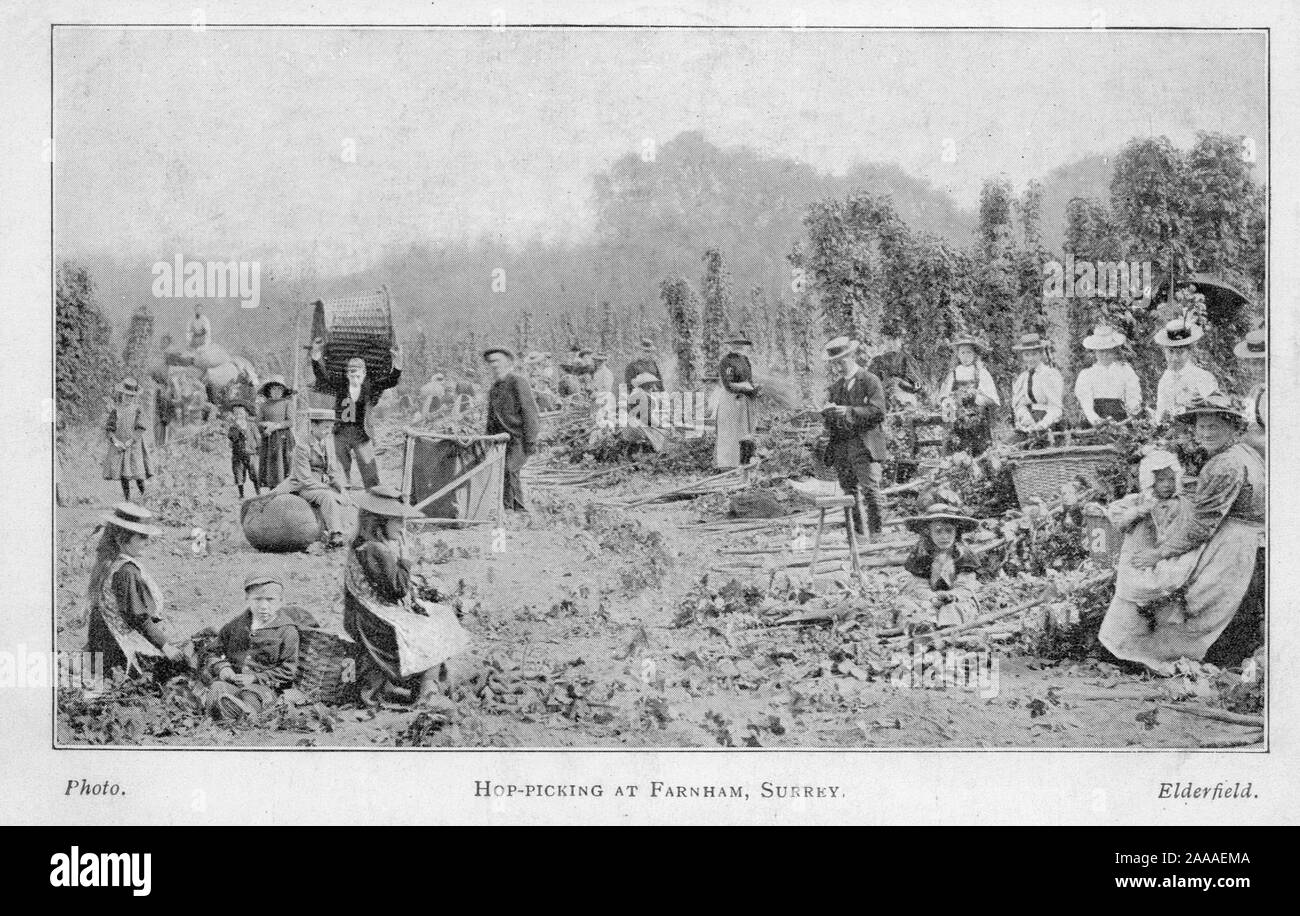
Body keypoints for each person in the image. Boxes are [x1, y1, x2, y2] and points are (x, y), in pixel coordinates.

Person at [1101, 394, 1264, 674]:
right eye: (1201, 427)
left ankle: (1148, 650)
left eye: (1215, 426)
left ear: (1233, 428)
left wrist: (1158, 553)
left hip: (1233, 543)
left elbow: (1202, 525)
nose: (1206, 433)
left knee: (1177, 587)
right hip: (1248, 535)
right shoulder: (1245, 453)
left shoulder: (1225, 464)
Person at [343, 486, 472, 707]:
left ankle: (427, 680)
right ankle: (427, 688)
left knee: (436, 613)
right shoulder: (377, 551)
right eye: (398, 522)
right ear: (380, 522)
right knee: (433, 623)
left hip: (361, 614)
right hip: (372, 621)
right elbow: (398, 590)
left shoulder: (362, 545)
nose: (403, 528)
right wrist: (404, 559)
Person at [86, 504, 192, 677]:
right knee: (178, 664)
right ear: (122, 538)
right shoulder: (126, 571)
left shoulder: (110, 562)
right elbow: (137, 617)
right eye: (142, 536)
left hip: (102, 637)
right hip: (115, 645)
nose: (146, 541)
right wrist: (165, 646)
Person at [198, 572, 301, 720]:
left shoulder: (286, 631)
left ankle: (241, 714)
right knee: (217, 688)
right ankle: (224, 712)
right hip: (234, 684)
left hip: (265, 688)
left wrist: (254, 678)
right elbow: (212, 652)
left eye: (270, 600)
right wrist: (223, 668)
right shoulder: (236, 625)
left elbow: (288, 670)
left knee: (250, 696)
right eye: (257, 600)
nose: (264, 606)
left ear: (280, 601)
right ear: (247, 599)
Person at [310, 338, 403, 488]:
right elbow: (322, 376)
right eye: (351, 374)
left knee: (370, 470)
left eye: (358, 374)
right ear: (347, 374)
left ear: (364, 373)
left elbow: (391, 381)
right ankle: (342, 496)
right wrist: (315, 355)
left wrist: (397, 362)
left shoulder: (370, 386)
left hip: (362, 433)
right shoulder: (341, 385)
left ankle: (373, 498)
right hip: (341, 432)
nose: (354, 377)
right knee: (339, 470)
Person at [821, 336, 888, 538]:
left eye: (842, 360)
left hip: (864, 443)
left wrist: (849, 411)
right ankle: (857, 535)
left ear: (852, 355)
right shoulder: (835, 387)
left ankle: (876, 535)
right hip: (842, 445)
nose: (839, 366)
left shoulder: (869, 380)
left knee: (869, 489)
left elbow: (878, 412)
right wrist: (828, 414)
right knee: (848, 492)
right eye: (835, 362)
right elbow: (830, 420)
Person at [897, 502, 983, 627]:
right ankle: (924, 628)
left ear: (956, 532)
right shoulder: (922, 553)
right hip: (927, 598)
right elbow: (918, 585)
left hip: (958, 599)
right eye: (938, 531)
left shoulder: (963, 553)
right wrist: (931, 598)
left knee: (952, 610)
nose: (944, 536)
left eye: (949, 531)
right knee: (909, 607)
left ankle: (948, 632)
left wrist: (952, 596)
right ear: (928, 532)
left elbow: (966, 585)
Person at [274, 408, 350, 548]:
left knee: (344, 496)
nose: (328, 431)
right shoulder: (302, 447)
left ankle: (338, 527)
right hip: (303, 486)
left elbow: (333, 472)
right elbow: (305, 479)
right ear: (314, 426)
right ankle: (335, 534)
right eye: (325, 427)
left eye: (330, 428)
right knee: (327, 496)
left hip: (321, 484)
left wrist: (341, 487)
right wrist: (328, 488)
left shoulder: (328, 442)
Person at [483, 346, 541, 513]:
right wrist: (488, 440)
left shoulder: (517, 382)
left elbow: (530, 412)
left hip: (519, 437)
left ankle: (518, 510)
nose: (494, 365)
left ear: (507, 362)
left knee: (510, 469)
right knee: (504, 472)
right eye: (490, 362)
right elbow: (491, 417)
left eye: (497, 361)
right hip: (502, 440)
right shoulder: (494, 389)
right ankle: (509, 508)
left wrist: (531, 440)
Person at [936, 335, 1000, 456]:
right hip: (957, 417)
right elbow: (943, 397)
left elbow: (992, 398)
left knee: (980, 452)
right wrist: (950, 402)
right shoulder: (953, 374)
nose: (966, 356)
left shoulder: (982, 373)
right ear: (958, 355)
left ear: (975, 354)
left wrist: (977, 397)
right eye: (963, 353)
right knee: (957, 450)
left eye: (969, 352)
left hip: (978, 417)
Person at [1152, 316, 1218, 424]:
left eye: (1180, 352)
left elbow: (1210, 414)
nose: (1174, 358)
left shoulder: (1203, 378)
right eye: (1171, 352)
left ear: (1190, 351)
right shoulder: (1165, 380)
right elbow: (1160, 415)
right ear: (1164, 351)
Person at [1073, 324, 1143, 426]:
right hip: (1095, 421)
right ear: (1095, 351)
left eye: (1108, 351)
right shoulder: (1087, 374)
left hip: (1121, 420)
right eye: (1101, 351)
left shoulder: (1125, 370)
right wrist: (1096, 420)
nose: (1105, 355)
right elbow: (1086, 404)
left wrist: (1132, 412)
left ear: (1114, 350)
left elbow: (1133, 396)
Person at [102, 377, 154, 502]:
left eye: (131, 396)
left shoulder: (137, 409)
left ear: (134, 397)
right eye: (126, 395)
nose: (128, 398)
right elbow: (109, 428)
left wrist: (132, 440)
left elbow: (140, 428)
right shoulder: (116, 410)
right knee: (124, 475)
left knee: (138, 473)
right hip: (121, 446)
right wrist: (115, 441)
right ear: (122, 394)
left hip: (134, 445)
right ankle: (127, 500)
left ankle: (145, 498)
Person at [1009, 332, 1064, 439]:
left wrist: (1042, 424)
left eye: (1034, 354)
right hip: (1031, 422)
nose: (1030, 359)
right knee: (1008, 446)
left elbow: (1056, 407)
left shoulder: (1049, 374)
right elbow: (1020, 404)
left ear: (1041, 354)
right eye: (1027, 355)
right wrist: (1027, 419)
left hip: (1049, 422)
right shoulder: (1023, 377)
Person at [715, 334, 759, 468]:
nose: (739, 346)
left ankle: (744, 463)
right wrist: (743, 388)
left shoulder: (745, 360)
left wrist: (754, 389)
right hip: (731, 400)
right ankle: (727, 464)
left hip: (745, 399)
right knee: (730, 431)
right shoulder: (726, 361)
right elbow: (728, 384)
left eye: (741, 344)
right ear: (730, 345)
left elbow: (749, 380)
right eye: (736, 344)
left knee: (745, 431)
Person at [256, 375, 295, 489]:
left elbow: (290, 421)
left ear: (283, 391)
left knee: (284, 464)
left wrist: (276, 426)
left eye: (279, 389)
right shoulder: (264, 405)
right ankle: (272, 490)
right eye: (274, 389)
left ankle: (285, 489)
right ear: (269, 390)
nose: (276, 391)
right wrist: (265, 427)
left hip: (283, 438)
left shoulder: (287, 403)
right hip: (269, 439)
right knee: (271, 465)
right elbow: (258, 421)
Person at [1234, 327, 1266, 457]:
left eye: (1263, 362)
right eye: (1253, 363)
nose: (1258, 368)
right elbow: (1249, 423)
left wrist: (1247, 441)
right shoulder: (1256, 389)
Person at [226, 400, 262, 499]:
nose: (239, 415)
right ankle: (241, 494)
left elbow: (258, 437)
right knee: (239, 474)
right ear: (233, 415)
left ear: (246, 414)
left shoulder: (251, 425)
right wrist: (237, 427)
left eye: (241, 413)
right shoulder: (233, 427)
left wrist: (258, 448)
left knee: (255, 473)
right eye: (236, 414)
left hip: (251, 454)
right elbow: (232, 439)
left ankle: (258, 493)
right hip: (238, 455)